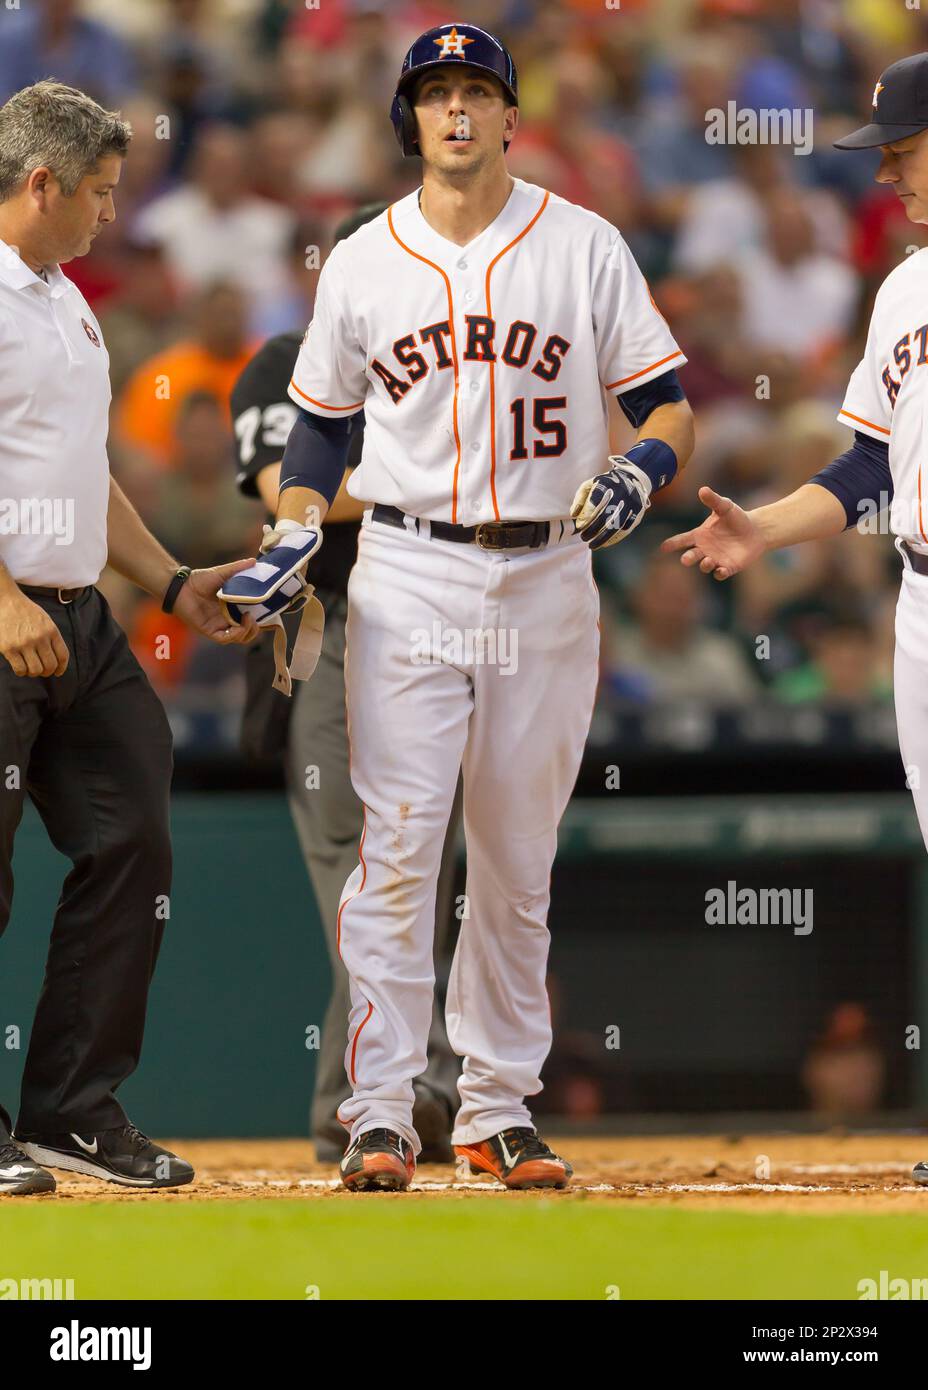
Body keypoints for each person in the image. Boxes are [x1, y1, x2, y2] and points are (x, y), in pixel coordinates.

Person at [223, 22, 694, 1191]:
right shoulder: (363, 262)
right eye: (435, 92)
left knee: (515, 859)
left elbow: (667, 402)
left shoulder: (581, 245)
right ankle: (380, 1109)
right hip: (407, 567)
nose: (456, 111)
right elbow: (321, 426)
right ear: (411, 117)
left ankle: (496, 1106)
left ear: (509, 115)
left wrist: (643, 467)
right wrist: (293, 526)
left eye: (476, 90)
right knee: (394, 850)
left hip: (546, 571)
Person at [660, 52, 928, 1188]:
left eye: (904, 154)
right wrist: (766, 528)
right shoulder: (905, 288)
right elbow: (870, 462)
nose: (890, 182)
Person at [0, 80, 257, 1196]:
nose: (112, 214)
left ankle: (70, 1108)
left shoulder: (65, 299)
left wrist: (172, 580)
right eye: (99, 193)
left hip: (76, 618)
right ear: (41, 181)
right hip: (4, 612)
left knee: (133, 836)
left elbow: (78, 471)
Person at [230, 203, 462, 1164]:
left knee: (435, 866)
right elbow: (283, 491)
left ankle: (368, 1096)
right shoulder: (285, 355)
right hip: (330, 627)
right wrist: (437, 473)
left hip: (447, 620)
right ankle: (403, 1088)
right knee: (357, 877)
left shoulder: (456, 354)